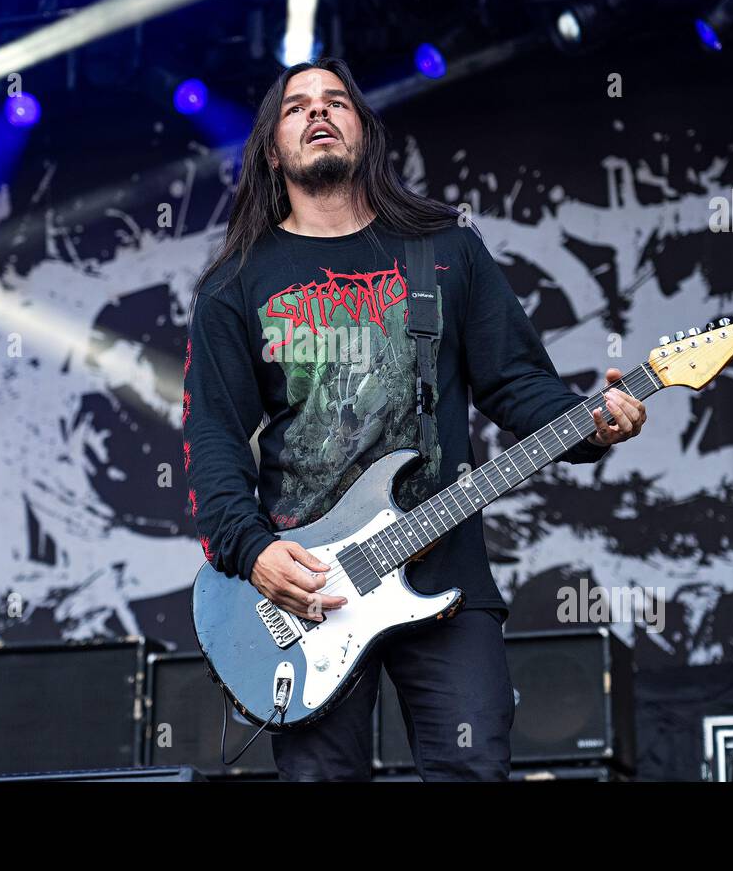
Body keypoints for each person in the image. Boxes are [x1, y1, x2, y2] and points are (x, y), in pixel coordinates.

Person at [182, 58, 648, 781]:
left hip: (445, 575)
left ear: (365, 134)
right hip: (307, 588)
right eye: (297, 106)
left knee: (474, 772)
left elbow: (517, 381)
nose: (319, 112)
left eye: (337, 101)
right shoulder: (236, 281)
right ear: (273, 148)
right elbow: (212, 434)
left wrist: (591, 422)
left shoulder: (443, 251)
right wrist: (252, 552)